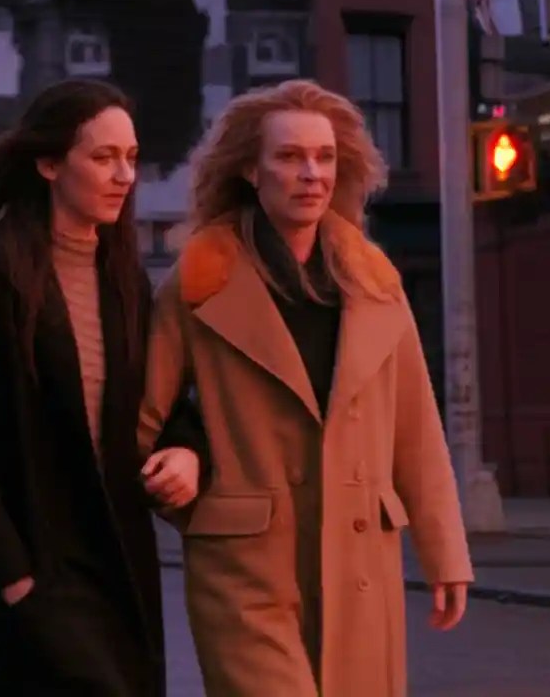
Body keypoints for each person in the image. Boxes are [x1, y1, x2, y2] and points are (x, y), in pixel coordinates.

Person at [138, 79, 474, 696]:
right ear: (249, 169)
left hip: (360, 562)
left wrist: (445, 552)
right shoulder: (198, 284)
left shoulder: (376, 284)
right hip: (246, 570)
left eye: (324, 157)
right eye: (289, 157)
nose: (311, 173)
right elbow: (142, 421)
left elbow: (415, 429)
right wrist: (182, 463)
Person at [0, 78, 202, 696]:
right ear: (49, 163)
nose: (124, 175)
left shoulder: (124, 275)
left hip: (120, 565)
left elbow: (162, 401)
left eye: (131, 157)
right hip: (34, 571)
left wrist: (185, 450)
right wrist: (13, 576)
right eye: (103, 157)